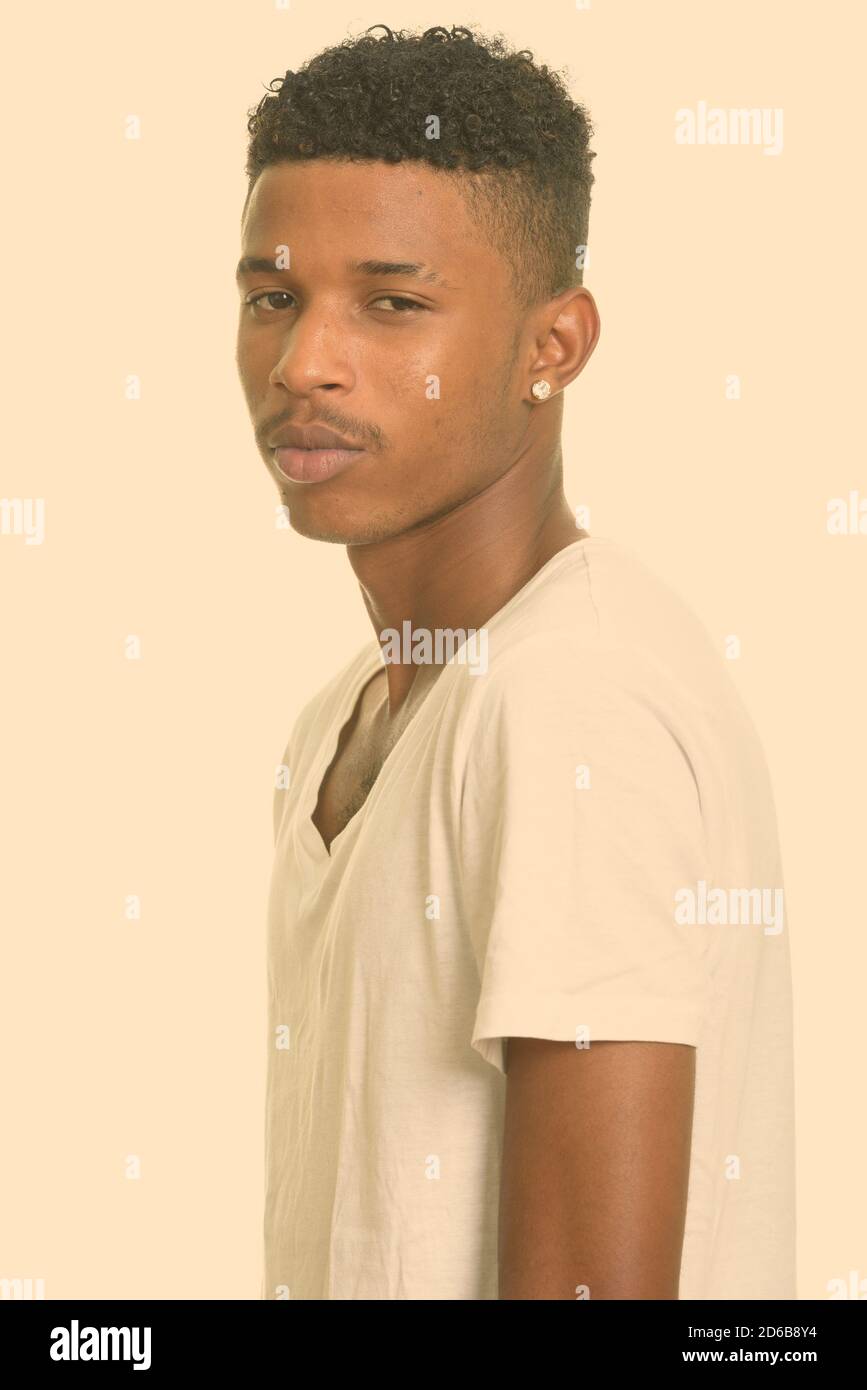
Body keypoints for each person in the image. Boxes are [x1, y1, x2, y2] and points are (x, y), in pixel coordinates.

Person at [236, 23, 796, 1300]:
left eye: (394, 301)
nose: (302, 362)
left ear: (554, 347)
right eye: (274, 295)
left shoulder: (567, 700)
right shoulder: (349, 717)